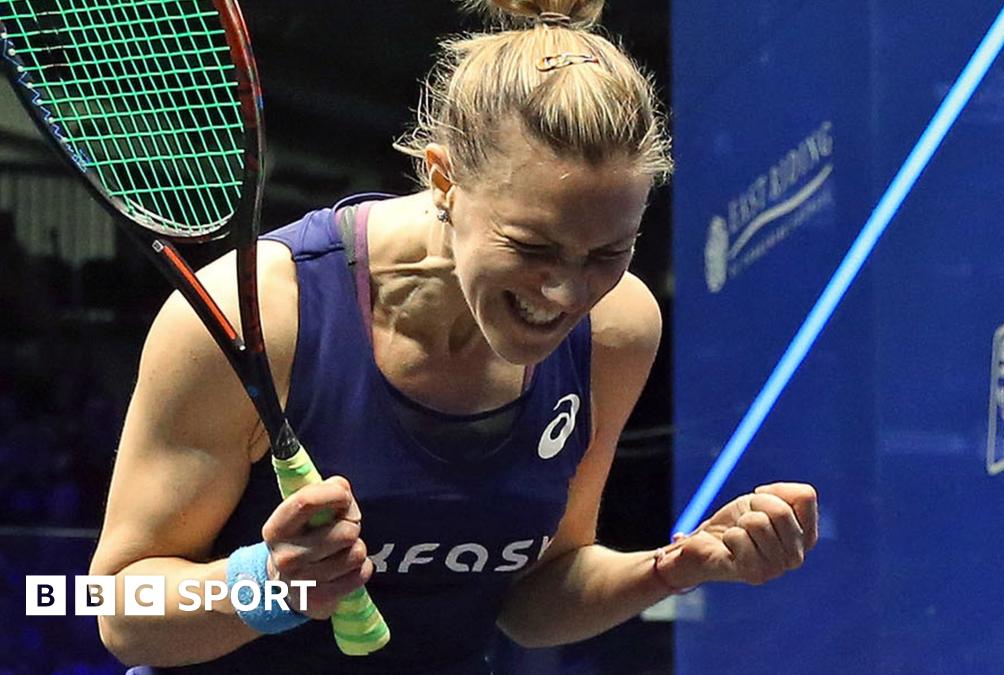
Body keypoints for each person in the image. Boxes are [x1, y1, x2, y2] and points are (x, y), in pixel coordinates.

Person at [89, 1, 819, 672]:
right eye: (531, 247)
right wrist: (263, 584)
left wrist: (675, 565)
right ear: (442, 179)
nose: (567, 293)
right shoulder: (262, 317)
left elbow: (535, 597)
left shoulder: (617, 329)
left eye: (606, 254)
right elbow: (117, 610)